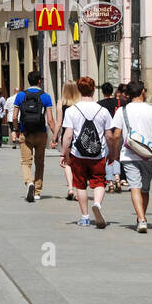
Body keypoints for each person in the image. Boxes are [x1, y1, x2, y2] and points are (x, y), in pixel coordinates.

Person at [109, 80, 152, 232]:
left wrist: (114, 153)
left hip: (128, 155)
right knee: (145, 189)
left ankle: (141, 218)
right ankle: (142, 217)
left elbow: (116, 135)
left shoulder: (122, 111)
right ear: (142, 92)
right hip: (148, 155)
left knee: (134, 186)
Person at [60, 76, 113, 228]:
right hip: (98, 154)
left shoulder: (71, 110)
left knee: (81, 184)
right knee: (99, 181)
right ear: (93, 89)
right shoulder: (103, 111)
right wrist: (113, 152)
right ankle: (97, 204)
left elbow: (68, 135)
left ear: (79, 89)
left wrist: (64, 153)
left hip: (78, 154)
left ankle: (84, 217)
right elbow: (109, 136)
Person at [13, 71, 55, 202]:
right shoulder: (45, 97)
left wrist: (16, 129)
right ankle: (37, 191)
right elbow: (50, 120)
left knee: (25, 162)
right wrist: (56, 135)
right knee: (40, 163)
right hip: (41, 133)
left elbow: (14, 116)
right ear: (39, 81)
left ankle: (29, 182)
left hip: (25, 133)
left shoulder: (20, 95)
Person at [52, 79, 79, 201]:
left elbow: (58, 123)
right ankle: (78, 190)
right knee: (78, 164)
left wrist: (54, 137)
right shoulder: (80, 103)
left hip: (66, 135)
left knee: (68, 163)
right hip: (79, 135)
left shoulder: (60, 103)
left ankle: (70, 188)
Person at [99, 82, 123, 192]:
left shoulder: (99, 104)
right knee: (117, 156)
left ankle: (110, 183)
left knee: (108, 157)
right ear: (112, 91)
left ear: (102, 91)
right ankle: (117, 179)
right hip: (118, 132)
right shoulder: (119, 102)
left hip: (106, 134)